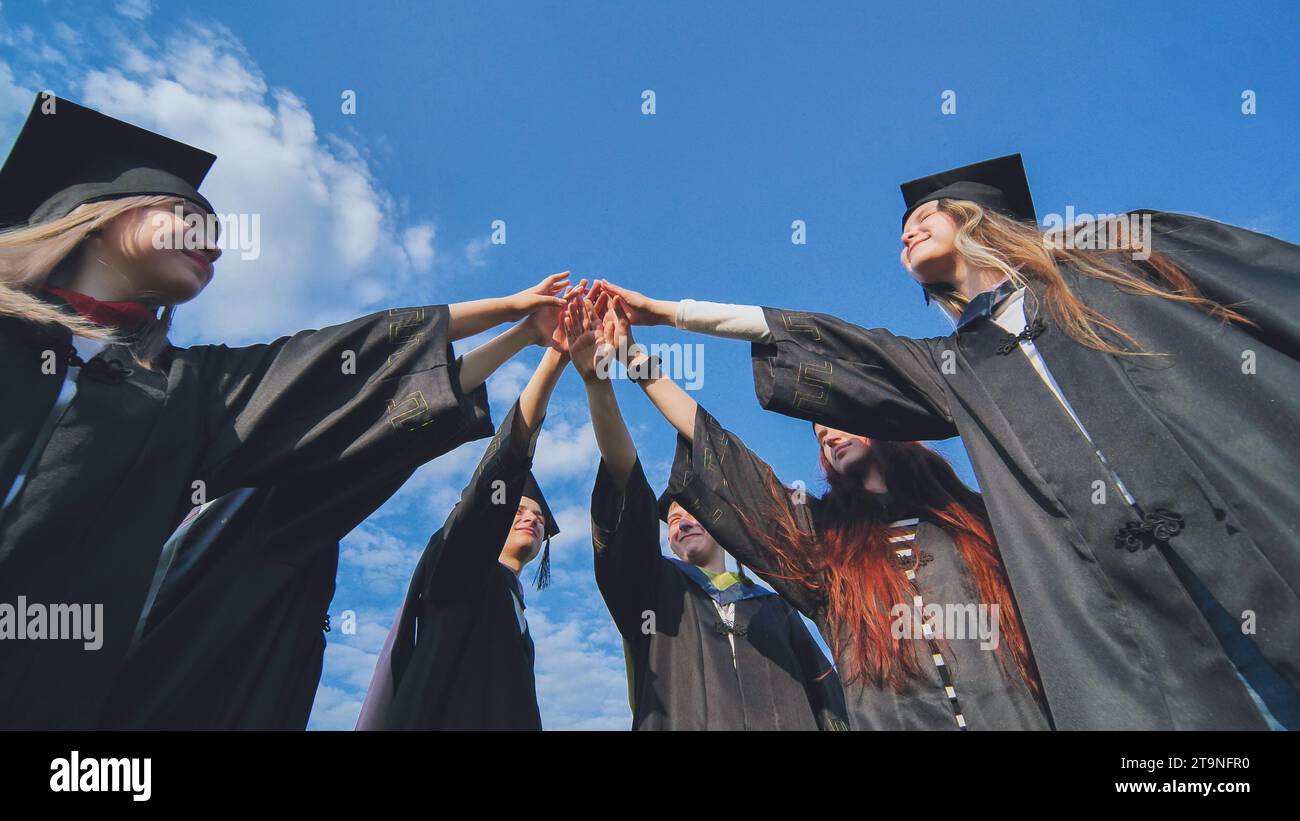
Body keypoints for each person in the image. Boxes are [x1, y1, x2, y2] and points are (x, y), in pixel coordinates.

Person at [595, 154, 1300, 730]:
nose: (905, 233)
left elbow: (1271, 291)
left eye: (922, 216)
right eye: (900, 229)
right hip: (1148, 641)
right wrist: (661, 323)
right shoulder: (956, 370)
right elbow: (836, 355)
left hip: (1257, 543)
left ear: (976, 217)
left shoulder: (1115, 260)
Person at [0, 93, 568, 729]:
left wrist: (520, 324)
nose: (213, 243)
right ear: (98, 216)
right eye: (187, 214)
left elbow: (336, 375)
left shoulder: (181, 390)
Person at [566, 294, 848, 731]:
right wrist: (597, 383)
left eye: (691, 511)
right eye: (672, 519)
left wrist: (637, 358)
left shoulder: (777, 607)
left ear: (723, 524)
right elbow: (626, 485)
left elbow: (829, 707)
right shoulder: (654, 590)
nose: (679, 520)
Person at [357, 344, 569, 730]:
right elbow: (492, 485)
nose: (533, 519)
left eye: (538, 516)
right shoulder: (465, 567)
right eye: (518, 510)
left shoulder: (516, 608)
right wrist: (553, 363)